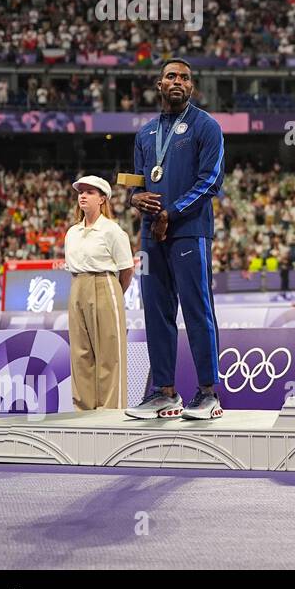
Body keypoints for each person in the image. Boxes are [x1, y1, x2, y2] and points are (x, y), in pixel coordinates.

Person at [124, 59, 227, 421]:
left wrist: (173, 212)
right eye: (171, 76)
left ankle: (208, 393)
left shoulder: (206, 127)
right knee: (156, 312)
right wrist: (134, 200)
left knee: (197, 310)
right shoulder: (145, 134)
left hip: (189, 232)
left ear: (192, 87)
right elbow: (137, 183)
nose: (178, 81)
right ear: (159, 84)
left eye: (184, 77)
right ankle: (164, 393)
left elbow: (211, 180)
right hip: (151, 235)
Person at [63, 175, 134, 411]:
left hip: (105, 284)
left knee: (109, 354)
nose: (82, 195)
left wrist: (113, 293)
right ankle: (83, 410)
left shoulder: (112, 231)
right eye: (80, 191)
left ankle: (111, 411)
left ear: (102, 199)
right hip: (77, 287)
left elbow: (127, 268)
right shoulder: (72, 232)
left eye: (90, 192)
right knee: (80, 354)